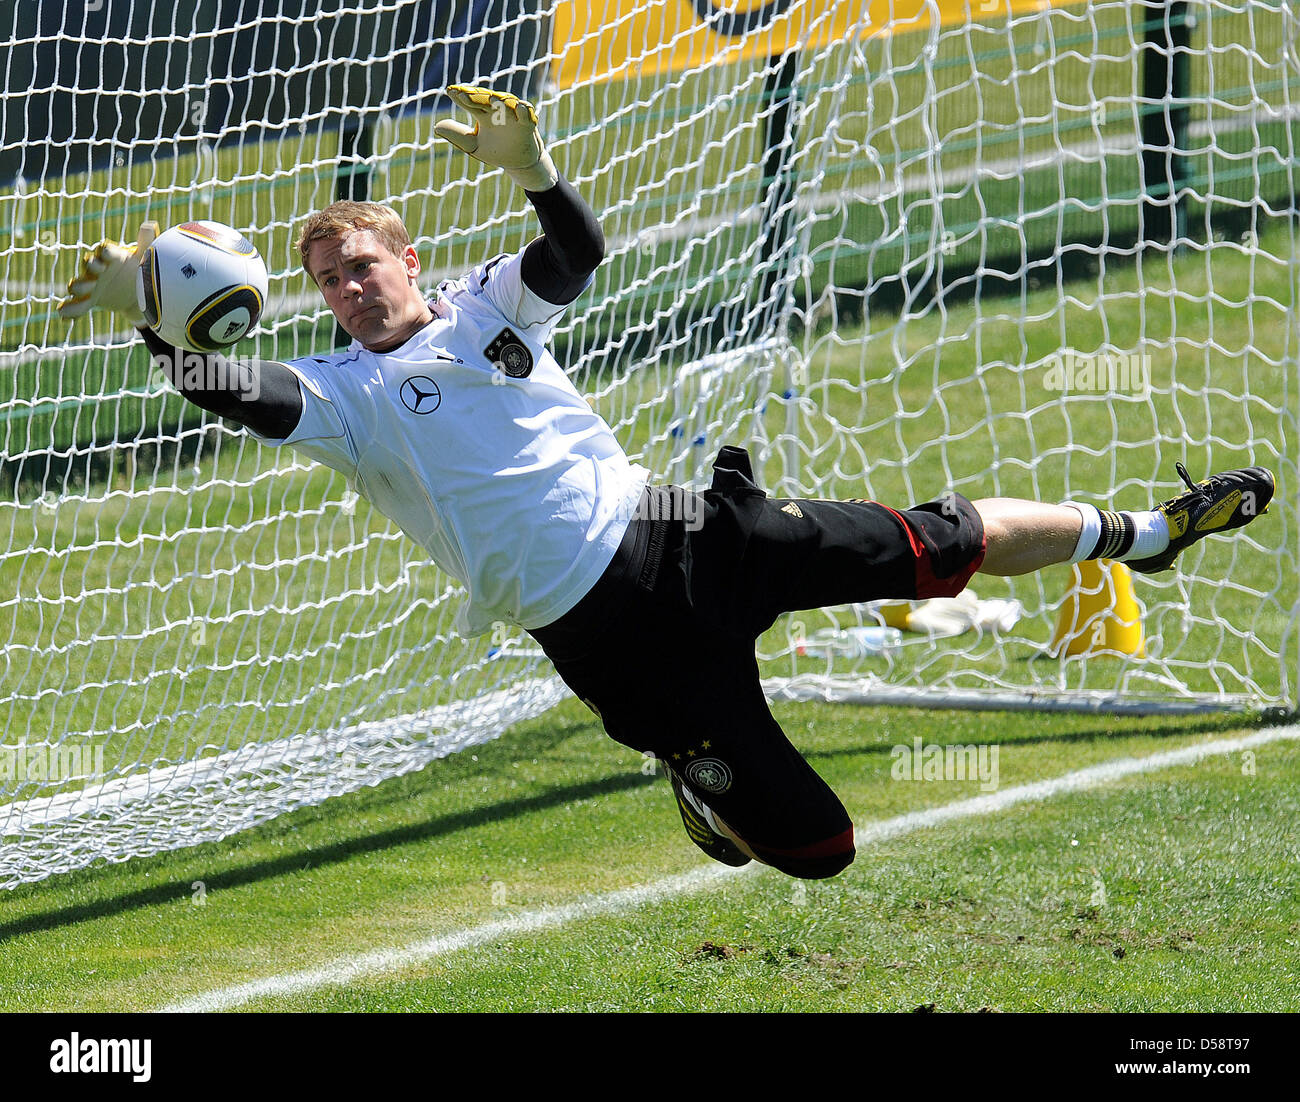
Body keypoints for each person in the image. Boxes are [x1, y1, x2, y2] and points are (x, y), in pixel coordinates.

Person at [60, 86, 1276, 880]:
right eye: (326, 279)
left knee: (934, 536)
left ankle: (1145, 531)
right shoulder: (343, 393)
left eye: (361, 264)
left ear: (407, 257)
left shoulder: (487, 303)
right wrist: (156, 325)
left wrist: (535, 164)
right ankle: (700, 783)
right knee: (817, 852)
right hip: (597, 633)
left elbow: (573, 251)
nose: (347, 289)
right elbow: (236, 394)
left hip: (683, 530)